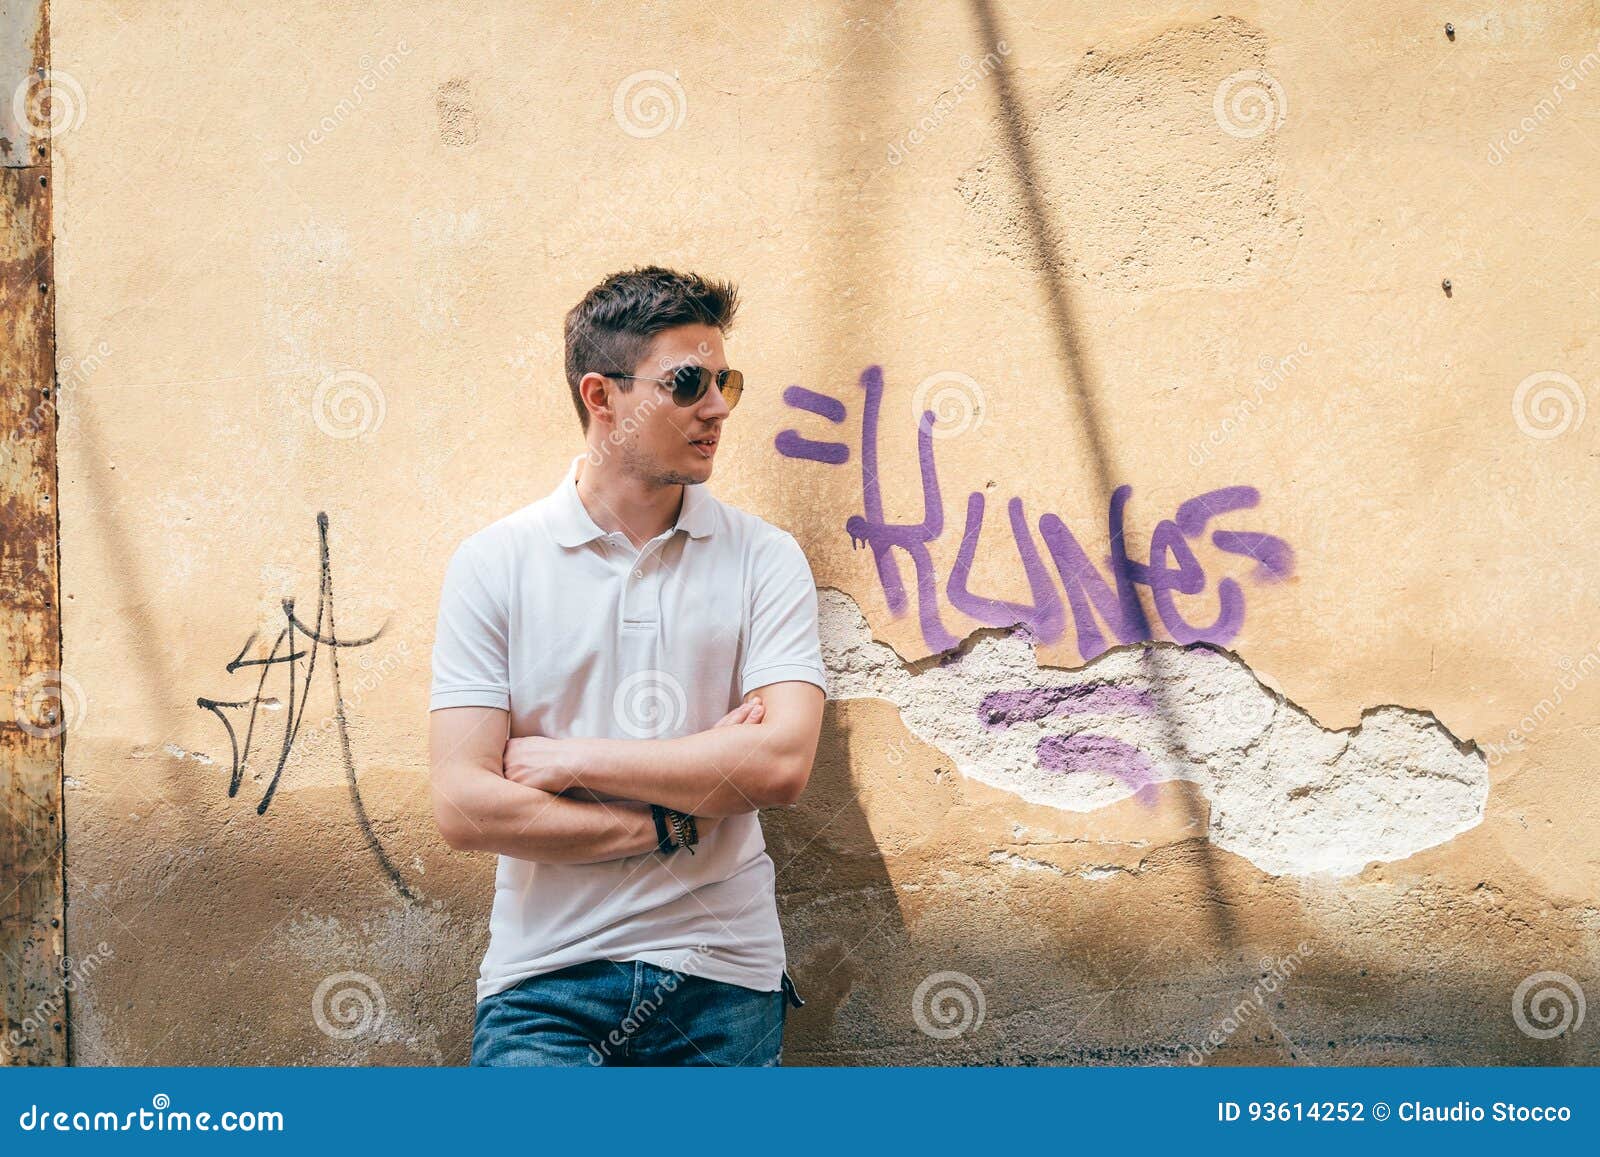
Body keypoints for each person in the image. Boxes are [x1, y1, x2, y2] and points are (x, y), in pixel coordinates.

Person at [428, 265, 827, 1066]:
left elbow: (780, 765)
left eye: (726, 382)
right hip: (543, 985)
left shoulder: (764, 557)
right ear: (601, 397)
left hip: (721, 977)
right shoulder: (495, 563)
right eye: (687, 383)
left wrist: (574, 760)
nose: (717, 407)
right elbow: (465, 805)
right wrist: (674, 822)